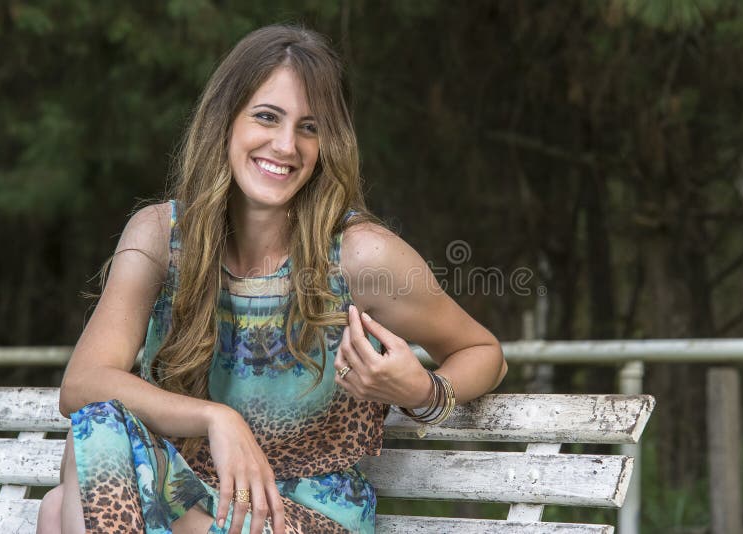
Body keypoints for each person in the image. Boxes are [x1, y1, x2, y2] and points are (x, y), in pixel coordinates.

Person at [36, 24, 507, 534]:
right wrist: (218, 418)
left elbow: (485, 352)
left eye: (310, 127)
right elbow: (82, 385)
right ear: (226, 121)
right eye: (267, 117)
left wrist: (424, 392)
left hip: (304, 517)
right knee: (90, 443)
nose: (286, 145)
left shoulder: (360, 256)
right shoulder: (160, 237)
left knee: (60, 507)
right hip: (191, 498)